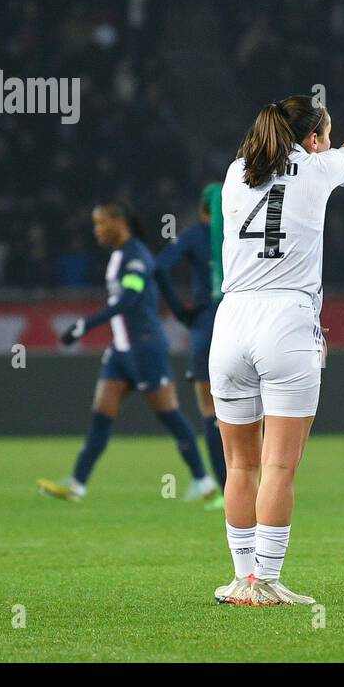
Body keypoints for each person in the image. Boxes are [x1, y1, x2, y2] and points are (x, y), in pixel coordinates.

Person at [212, 67, 344, 607]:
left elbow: (270, 159)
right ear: (312, 139)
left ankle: (239, 578)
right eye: (326, 133)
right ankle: (267, 581)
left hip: (230, 321)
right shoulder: (318, 169)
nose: (332, 140)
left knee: (239, 464)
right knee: (279, 465)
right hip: (288, 322)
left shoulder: (235, 175)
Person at [37, 201, 218, 502]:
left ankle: (204, 482)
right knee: (101, 417)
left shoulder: (136, 256)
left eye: (100, 223)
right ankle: (77, 486)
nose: (96, 231)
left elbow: (129, 299)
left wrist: (84, 325)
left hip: (145, 348)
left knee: (171, 417)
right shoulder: (119, 256)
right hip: (121, 353)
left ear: (119, 223)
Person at [155, 184, 225, 511]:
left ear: (202, 211)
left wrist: (181, 311)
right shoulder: (245, 232)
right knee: (254, 409)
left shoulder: (195, 235)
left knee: (210, 411)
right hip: (241, 320)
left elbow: (160, 268)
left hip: (205, 325)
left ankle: (225, 489)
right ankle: (258, 485)